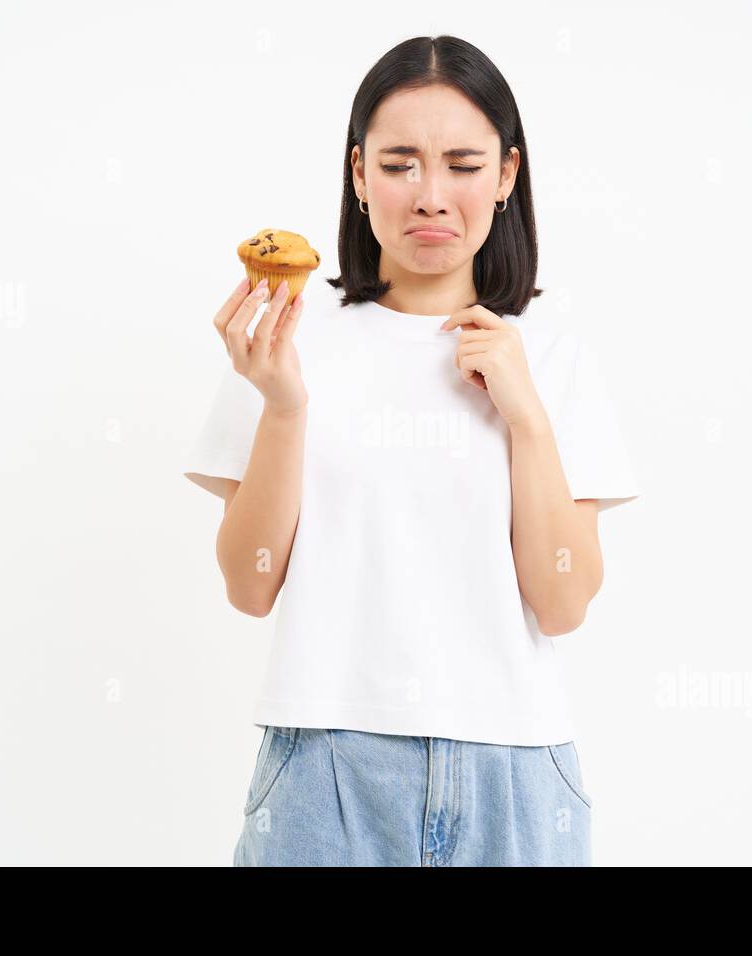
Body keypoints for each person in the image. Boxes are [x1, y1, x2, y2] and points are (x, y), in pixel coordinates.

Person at [184, 35, 641, 866]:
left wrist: (527, 418)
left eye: (463, 164)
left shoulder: (553, 358)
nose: (430, 195)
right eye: (399, 164)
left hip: (514, 772)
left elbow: (563, 602)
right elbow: (251, 587)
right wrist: (285, 407)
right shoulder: (284, 338)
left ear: (506, 175)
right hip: (323, 770)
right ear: (358, 175)